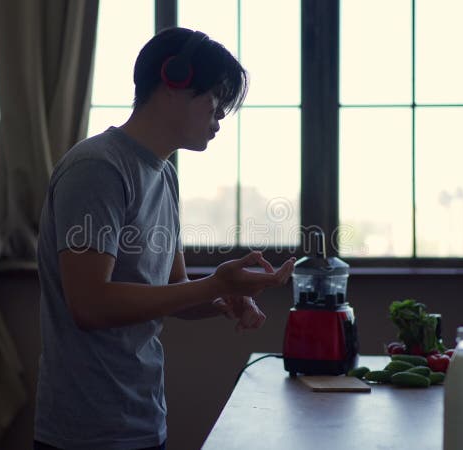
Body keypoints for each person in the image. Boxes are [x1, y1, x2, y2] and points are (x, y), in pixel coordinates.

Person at [33, 27, 296, 450]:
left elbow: (172, 290)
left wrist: (222, 297)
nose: (220, 117)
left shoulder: (165, 174)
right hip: (85, 431)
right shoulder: (98, 168)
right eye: (216, 99)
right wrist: (214, 284)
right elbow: (89, 304)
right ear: (174, 81)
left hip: (144, 417)